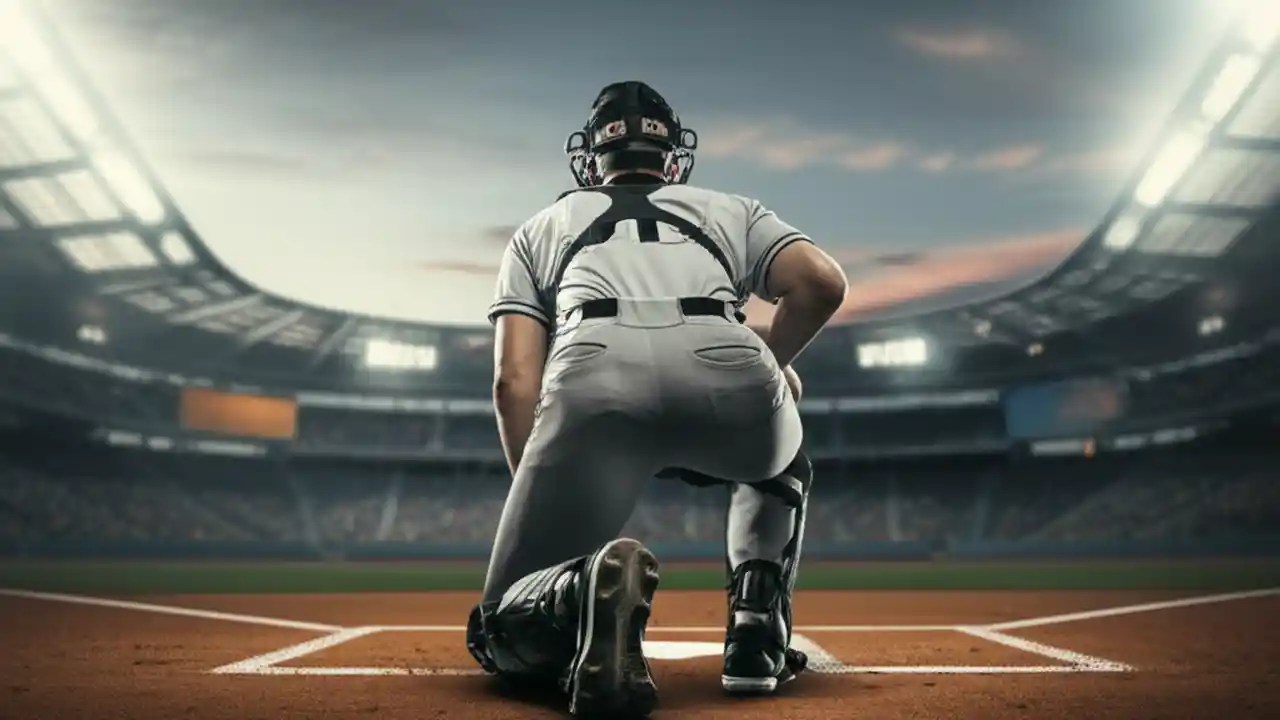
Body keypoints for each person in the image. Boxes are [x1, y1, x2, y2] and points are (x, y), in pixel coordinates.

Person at [465, 80, 847, 716]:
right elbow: (821, 285)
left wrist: (541, 484)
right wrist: (772, 369)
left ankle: (577, 592)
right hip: (726, 361)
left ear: (591, 159)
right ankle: (756, 632)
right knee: (783, 454)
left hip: (592, 377)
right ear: (674, 158)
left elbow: (513, 382)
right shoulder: (731, 208)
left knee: (499, 629)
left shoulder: (540, 228)